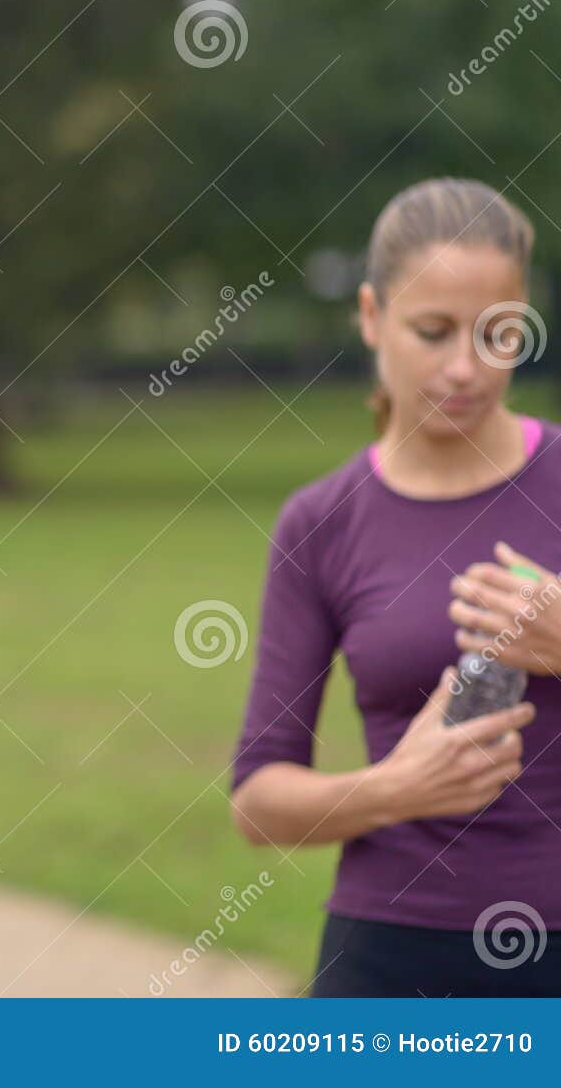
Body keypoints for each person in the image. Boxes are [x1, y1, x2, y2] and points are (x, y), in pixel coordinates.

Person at [230, 178, 561, 997]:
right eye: (433, 331)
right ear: (373, 317)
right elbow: (258, 800)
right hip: (390, 956)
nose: (466, 367)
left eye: (498, 333)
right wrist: (393, 789)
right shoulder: (321, 520)